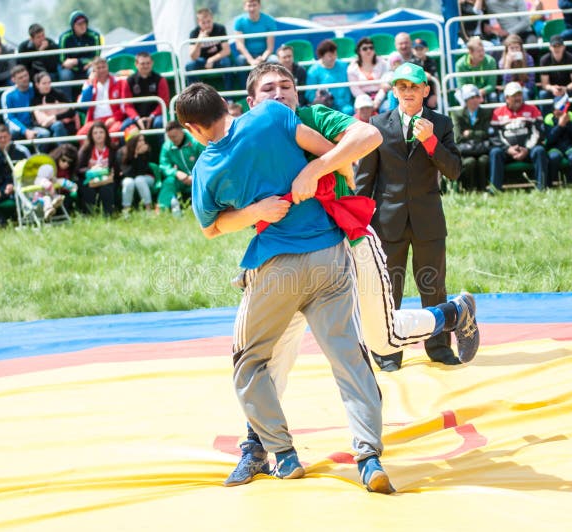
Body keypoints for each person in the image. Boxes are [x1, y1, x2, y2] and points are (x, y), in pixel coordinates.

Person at [218, 62, 479, 485]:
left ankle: (452, 314)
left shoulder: (312, 119)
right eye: (269, 88)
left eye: (287, 85)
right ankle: (257, 443)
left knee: (382, 339)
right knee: (267, 353)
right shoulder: (245, 136)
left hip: (347, 242)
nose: (280, 92)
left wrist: (317, 168)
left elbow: (367, 136)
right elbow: (216, 209)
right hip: (283, 258)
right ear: (252, 103)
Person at [177, 82, 395, 494]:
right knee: (350, 358)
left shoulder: (206, 167)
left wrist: (255, 211)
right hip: (330, 253)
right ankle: (369, 457)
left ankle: (283, 453)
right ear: (227, 104)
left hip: (277, 266)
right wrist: (324, 170)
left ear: (194, 129)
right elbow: (323, 147)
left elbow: (211, 229)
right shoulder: (273, 115)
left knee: (249, 362)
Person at [355, 63, 463, 369]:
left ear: (426, 90)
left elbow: (454, 170)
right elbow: (364, 180)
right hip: (386, 222)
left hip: (428, 219)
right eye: (402, 87)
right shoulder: (376, 124)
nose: (408, 92)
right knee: (389, 290)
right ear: (394, 91)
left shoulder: (440, 124)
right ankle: (388, 352)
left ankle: (440, 348)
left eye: (414, 86)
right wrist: (359, 224)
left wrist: (432, 142)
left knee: (434, 286)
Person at [489, 81, 549, 190]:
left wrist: (527, 148)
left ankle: (542, 188)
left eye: (519, 95)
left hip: (529, 150)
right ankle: (495, 189)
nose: (517, 98)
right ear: (506, 98)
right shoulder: (497, 113)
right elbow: (495, 136)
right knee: (495, 152)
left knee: (539, 150)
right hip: (508, 152)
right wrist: (508, 149)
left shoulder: (533, 110)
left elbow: (539, 132)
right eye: (514, 96)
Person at [159, 120, 204, 216]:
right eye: (170, 137)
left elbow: (206, 161)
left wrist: (196, 176)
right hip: (182, 179)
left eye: (174, 136)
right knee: (169, 182)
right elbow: (164, 166)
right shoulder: (167, 146)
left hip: (200, 178)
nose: (173, 140)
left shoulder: (195, 141)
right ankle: (163, 210)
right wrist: (176, 173)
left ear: (181, 131)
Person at [452, 84, 492, 191]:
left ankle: (483, 189)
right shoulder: (457, 114)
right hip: (465, 152)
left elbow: (487, 133)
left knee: (484, 160)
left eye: (476, 97)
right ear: (465, 100)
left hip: (481, 149)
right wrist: (478, 134)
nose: (474, 100)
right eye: (471, 98)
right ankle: (469, 190)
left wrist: (470, 134)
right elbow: (458, 137)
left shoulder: (486, 112)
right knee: (469, 162)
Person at [1, 65, 51, 147]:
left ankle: (37, 158)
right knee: (13, 132)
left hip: (34, 126)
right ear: (13, 80)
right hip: (17, 128)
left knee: (45, 134)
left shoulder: (35, 88)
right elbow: (9, 118)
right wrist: (25, 131)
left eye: (26, 75)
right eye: (20, 78)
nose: (25, 79)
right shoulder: (8, 95)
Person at [77, 57, 127, 138]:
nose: (101, 70)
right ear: (93, 70)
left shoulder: (119, 82)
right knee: (81, 135)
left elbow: (124, 106)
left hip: (113, 119)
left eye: (103, 67)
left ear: (107, 67)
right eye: (98, 68)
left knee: (114, 132)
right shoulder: (88, 84)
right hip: (95, 121)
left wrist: (114, 118)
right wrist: (90, 85)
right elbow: (83, 105)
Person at [76, 121, 118, 216]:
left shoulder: (112, 148)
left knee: (106, 189)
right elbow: (78, 169)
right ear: (91, 135)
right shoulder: (86, 149)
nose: (98, 135)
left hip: (107, 179)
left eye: (101, 132)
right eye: (95, 133)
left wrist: (108, 171)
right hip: (89, 179)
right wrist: (91, 170)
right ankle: (89, 215)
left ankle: (108, 215)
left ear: (106, 134)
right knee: (87, 190)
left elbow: (116, 167)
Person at [121, 52, 170, 133]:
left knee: (160, 123)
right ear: (136, 64)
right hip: (136, 117)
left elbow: (164, 102)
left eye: (148, 63)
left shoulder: (160, 80)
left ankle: (163, 146)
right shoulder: (129, 81)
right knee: (125, 126)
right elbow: (127, 105)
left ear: (152, 63)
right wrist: (137, 118)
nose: (146, 66)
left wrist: (152, 116)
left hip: (156, 116)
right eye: (143, 63)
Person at [233, 0, 277, 87]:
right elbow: (239, 45)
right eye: (249, 6)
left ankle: (272, 88)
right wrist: (251, 60)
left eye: (254, 5)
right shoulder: (239, 21)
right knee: (240, 60)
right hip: (247, 56)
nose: (252, 8)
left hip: (264, 55)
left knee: (274, 60)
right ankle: (244, 92)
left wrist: (262, 59)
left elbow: (270, 47)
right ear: (245, 7)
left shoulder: (269, 20)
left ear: (259, 5)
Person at [186, 7, 232, 90]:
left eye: (209, 22)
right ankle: (195, 96)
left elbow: (226, 50)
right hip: (201, 60)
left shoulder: (220, 29)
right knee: (189, 66)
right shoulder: (194, 33)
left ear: (212, 19)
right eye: (203, 23)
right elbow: (193, 57)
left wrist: (211, 59)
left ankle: (229, 98)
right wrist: (199, 41)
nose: (207, 25)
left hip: (218, 59)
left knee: (227, 62)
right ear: (198, 22)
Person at [305, 39, 354, 115]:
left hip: (345, 105)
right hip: (325, 107)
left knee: (349, 110)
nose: (333, 57)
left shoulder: (344, 66)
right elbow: (310, 94)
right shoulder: (313, 71)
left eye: (335, 54)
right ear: (322, 56)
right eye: (330, 56)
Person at [58, 10, 102, 93]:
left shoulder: (94, 36)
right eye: (79, 24)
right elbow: (62, 60)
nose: (83, 26)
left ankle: (92, 101)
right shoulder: (64, 37)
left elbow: (96, 58)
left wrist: (77, 61)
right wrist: (82, 63)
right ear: (73, 26)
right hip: (71, 69)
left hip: (88, 67)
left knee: (94, 71)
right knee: (65, 75)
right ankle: (68, 104)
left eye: (84, 23)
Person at [543, 94, 572, 185]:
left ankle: (569, 182)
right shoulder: (548, 119)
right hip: (554, 147)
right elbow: (550, 139)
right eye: (557, 108)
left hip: (570, 145)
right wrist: (560, 126)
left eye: (562, 108)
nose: (560, 111)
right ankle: (552, 182)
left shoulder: (571, 116)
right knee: (554, 157)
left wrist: (568, 123)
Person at [538, 35, 572, 111]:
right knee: (543, 94)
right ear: (550, 47)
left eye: (559, 46)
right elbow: (544, 84)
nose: (557, 48)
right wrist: (552, 88)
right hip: (552, 90)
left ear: (564, 47)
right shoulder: (544, 60)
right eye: (554, 46)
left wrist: (566, 88)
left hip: (568, 88)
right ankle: (544, 121)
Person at [347, 37, 389, 112]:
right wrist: (368, 101)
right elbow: (355, 89)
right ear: (359, 51)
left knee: (386, 108)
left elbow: (384, 85)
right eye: (365, 48)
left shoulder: (382, 63)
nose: (369, 50)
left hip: (381, 97)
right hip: (362, 99)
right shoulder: (352, 68)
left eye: (371, 48)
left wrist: (377, 101)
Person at [32, 71, 77, 140]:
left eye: (49, 83)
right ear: (37, 85)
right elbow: (37, 121)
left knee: (58, 125)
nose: (47, 86)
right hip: (44, 127)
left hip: (62, 124)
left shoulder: (58, 94)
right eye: (44, 83)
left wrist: (55, 117)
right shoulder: (34, 99)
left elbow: (72, 110)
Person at [119, 133, 156, 214]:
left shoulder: (146, 151)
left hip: (146, 177)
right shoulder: (121, 152)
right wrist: (135, 155)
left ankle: (148, 209)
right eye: (139, 140)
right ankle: (126, 210)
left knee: (139, 180)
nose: (143, 143)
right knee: (129, 182)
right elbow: (127, 173)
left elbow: (141, 171)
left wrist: (140, 155)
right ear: (132, 142)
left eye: (143, 140)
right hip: (129, 178)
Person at [455, 37, 499, 103]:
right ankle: (466, 113)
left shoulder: (490, 61)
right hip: (468, 93)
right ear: (470, 52)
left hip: (485, 92)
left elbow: (492, 85)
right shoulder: (460, 64)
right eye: (478, 51)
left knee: (493, 96)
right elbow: (461, 86)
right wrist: (473, 94)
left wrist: (481, 92)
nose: (482, 53)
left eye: (482, 50)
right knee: (458, 95)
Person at [500, 33, 536, 101]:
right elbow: (506, 82)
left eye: (517, 47)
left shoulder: (528, 59)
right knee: (503, 97)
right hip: (510, 89)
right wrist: (508, 65)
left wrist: (520, 88)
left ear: (521, 48)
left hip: (525, 87)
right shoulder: (502, 61)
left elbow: (531, 81)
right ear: (507, 50)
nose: (515, 50)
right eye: (512, 48)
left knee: (524, 93)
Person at [410, 38, 439, 109]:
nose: (419, 51)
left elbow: (436, 80)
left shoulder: (431, 62)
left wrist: (436, 96)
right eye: (416, 49)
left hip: (429, 93)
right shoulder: (410, 63)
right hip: (414, 94)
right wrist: (423, 75)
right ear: (412, 50)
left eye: (421, 49)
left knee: (441, 103)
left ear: (426, 49)